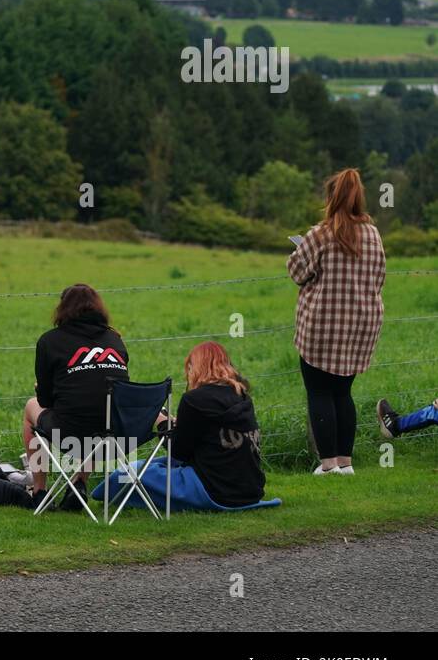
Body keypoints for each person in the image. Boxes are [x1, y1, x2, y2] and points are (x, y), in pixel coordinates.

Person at [287, 168, 386, 476]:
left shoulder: (320, 234)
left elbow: (296, 272)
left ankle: (327, 464)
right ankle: (346, 462)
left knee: (318, 392)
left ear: (331, 198)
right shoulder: (372, 234)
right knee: (343, 392)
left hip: (323, 324)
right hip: (361, 325)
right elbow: (380, 277)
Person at [22, 283, 129, 510]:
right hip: (117, 437)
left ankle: (40, 491)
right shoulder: (115, 340)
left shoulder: (50, 341)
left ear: (62, 308)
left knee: (31, 407)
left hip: (69, 433)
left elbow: (45, 401)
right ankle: (79, 482)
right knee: (101, 409)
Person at [162, 342, 267, 507]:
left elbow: (178, 452)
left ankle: (107, 492)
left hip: (215, 491)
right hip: (251, 491)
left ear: (195, 368)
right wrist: (182, 425)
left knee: (138, 471)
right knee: (160, 463)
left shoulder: (194, 399)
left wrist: (164, 424)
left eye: (189, 368)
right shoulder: (241, 394)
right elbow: (211, 434)